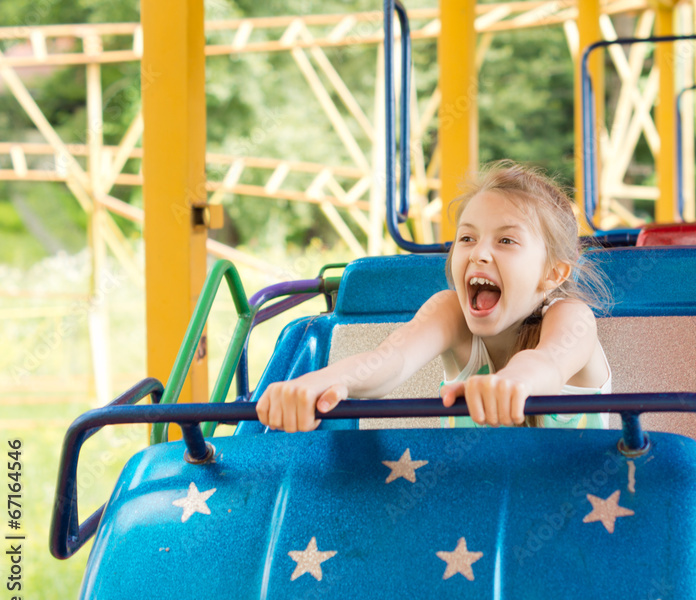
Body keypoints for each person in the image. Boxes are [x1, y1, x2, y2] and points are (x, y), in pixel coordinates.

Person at [255, 161, 611, 432]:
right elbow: (389, 360)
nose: (478, 254)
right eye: (467, 238)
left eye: (506, 241)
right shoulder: (450, 310)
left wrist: (514, 381)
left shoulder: (572, 317)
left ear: (553, 273)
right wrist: (328, 380)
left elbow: (548, 363)